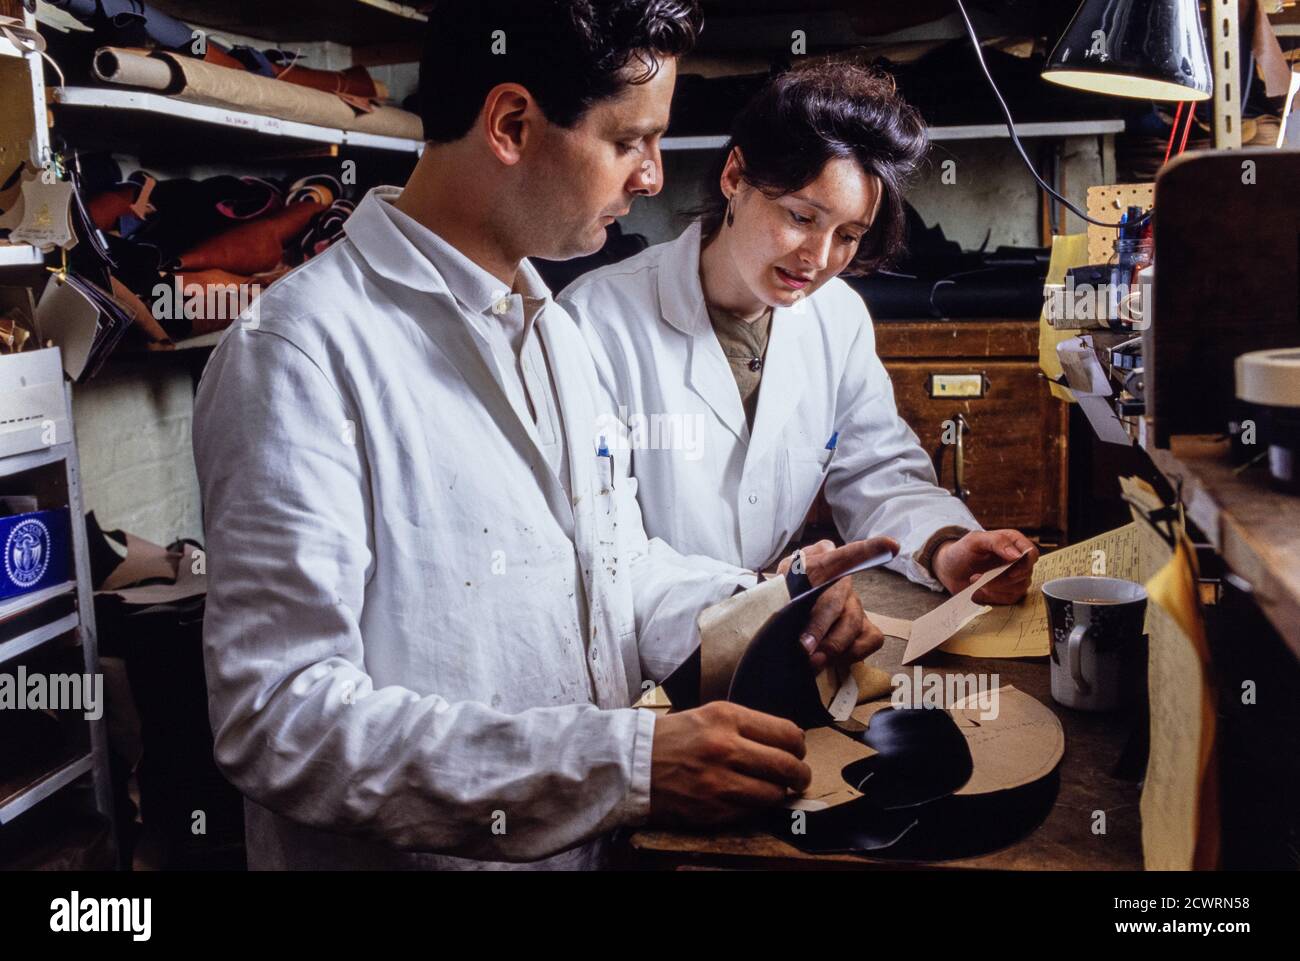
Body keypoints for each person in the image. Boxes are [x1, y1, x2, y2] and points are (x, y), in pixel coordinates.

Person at [192, 0, 891, 871]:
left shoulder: (551, 329)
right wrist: (622, 765)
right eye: (630, 140)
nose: (651, 175)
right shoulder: (300, 353)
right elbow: (281, 719)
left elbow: (617, 569)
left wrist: (771, 608)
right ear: (514, 124)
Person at [559, 62, 1039, 605]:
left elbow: (877, 470)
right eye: (802, 217)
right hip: (649, 645)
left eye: (848, 235)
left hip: (780, 621)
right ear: (736, 178)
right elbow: (606, 550)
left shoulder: (838, 318)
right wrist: (762, 592)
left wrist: (946, 547)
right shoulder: (595, 321)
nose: (818, 258)